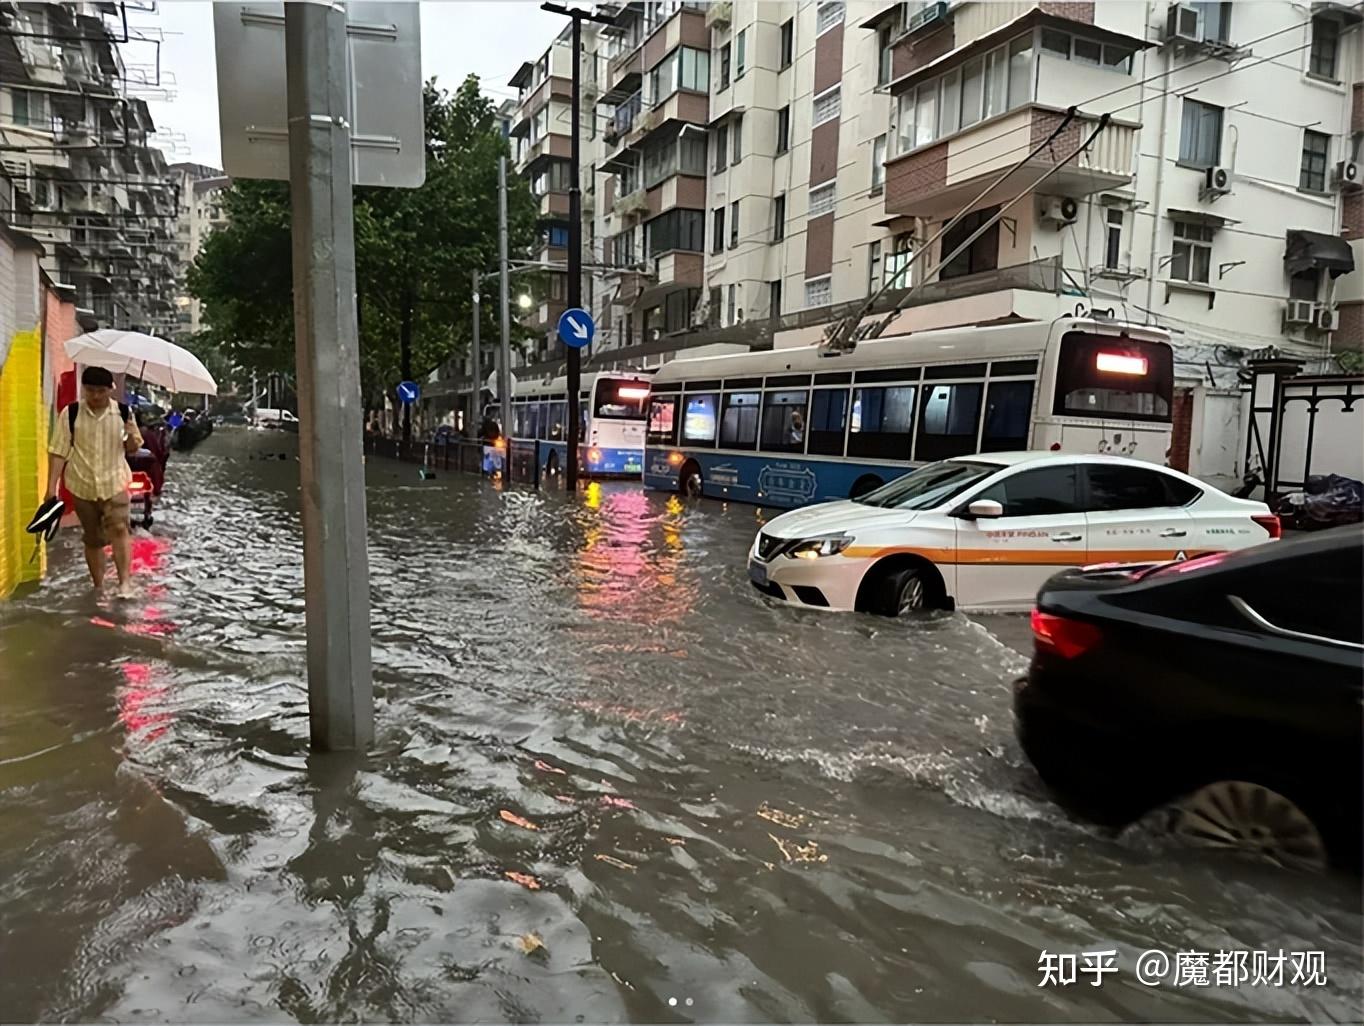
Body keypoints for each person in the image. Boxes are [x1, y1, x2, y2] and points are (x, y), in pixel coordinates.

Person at [45, 366, 143, 598]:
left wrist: (130, 434)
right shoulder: (70, 414)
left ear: (110, 389)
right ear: (84, 389)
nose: (96, 396)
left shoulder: (123, 412)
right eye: (90, 390)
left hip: (115, 482)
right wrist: (51, 488)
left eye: (101, 391)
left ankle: (124, 584)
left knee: (120, 529)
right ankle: (98, 587)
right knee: (93, 538)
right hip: (82, 484)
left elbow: (133, 448)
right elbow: (59, 452)